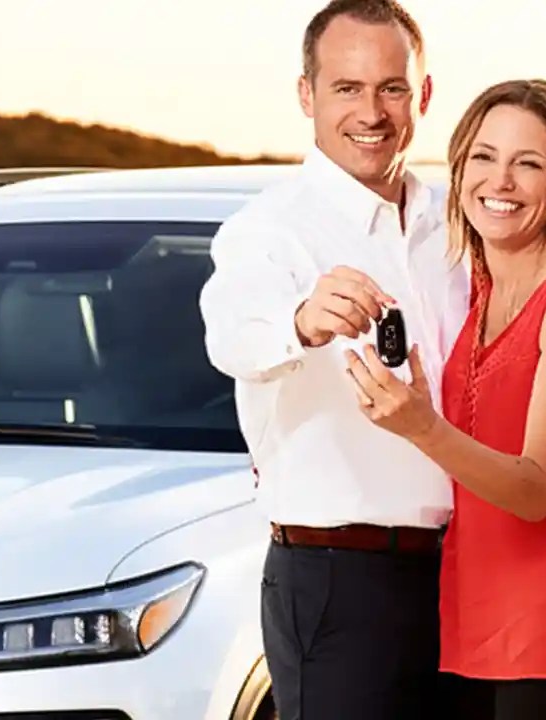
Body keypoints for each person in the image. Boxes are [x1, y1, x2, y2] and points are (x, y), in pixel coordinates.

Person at [344, 78, 546, 719]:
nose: (501, 181)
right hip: (479, 633)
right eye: (484, 157)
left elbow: (536, 488)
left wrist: (422, 426)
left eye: (529, 163)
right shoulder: (480, 294)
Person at [198, 1, 469, 718]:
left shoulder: (461, 220)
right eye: (347, 88)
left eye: (392, 88)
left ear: (424, 95)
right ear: (306, 96)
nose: (371, 112)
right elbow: (231, 337)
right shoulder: (266, 232)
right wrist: (299, 322)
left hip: (477, 570)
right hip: (340, 582)